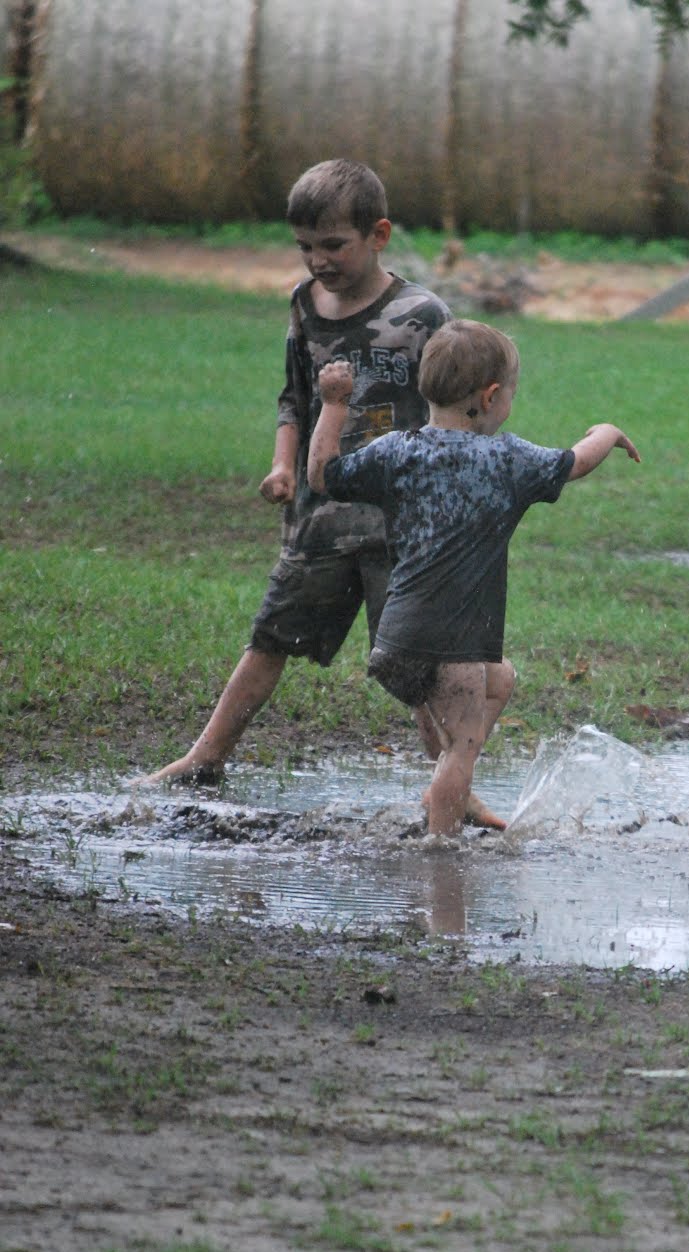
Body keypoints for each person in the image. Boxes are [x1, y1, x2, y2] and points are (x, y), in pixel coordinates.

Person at [141, 159, 508, 821]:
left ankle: (454, 788)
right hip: (320, 519)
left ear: (379, 234)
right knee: (270, 638)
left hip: (402, 531)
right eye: (305, 247)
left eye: (333, 245)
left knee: (416, 665)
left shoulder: (422, 315)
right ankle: (205, 756)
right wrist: (283, 466)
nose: (317, 260)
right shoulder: (303, 306)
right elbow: (295, 400)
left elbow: (452, 414)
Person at [306, 319, 641, 836]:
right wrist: (608, 432)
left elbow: (323, 475)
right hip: (450, 649)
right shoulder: (506, 459)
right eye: (511, 392)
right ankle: (442, 855)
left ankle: (450, 792)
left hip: (396, 640)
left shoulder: (399, 451)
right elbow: (575, 462)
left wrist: (333, 405)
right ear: (490, 397)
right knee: (460, 753)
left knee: (500, 678)